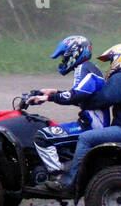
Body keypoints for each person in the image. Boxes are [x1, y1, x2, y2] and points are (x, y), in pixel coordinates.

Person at [34, 42, 121, 195]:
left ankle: (69, 182)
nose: (111, 64)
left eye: (111, 60)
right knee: (88, 137)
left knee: (85, 138)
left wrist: (80, 99)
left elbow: (102, 99)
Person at [31, 35, 107, 174]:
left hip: (90, 125)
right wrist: (51, 92)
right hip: (92, 122)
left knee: (42, 137)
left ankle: (57, 176)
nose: (63, 60)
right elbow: (82, 97)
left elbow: (75, 95)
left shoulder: (83, 68)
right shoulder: (89, 68)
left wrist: (48, 97)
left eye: (64, 56)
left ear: (75, 52)